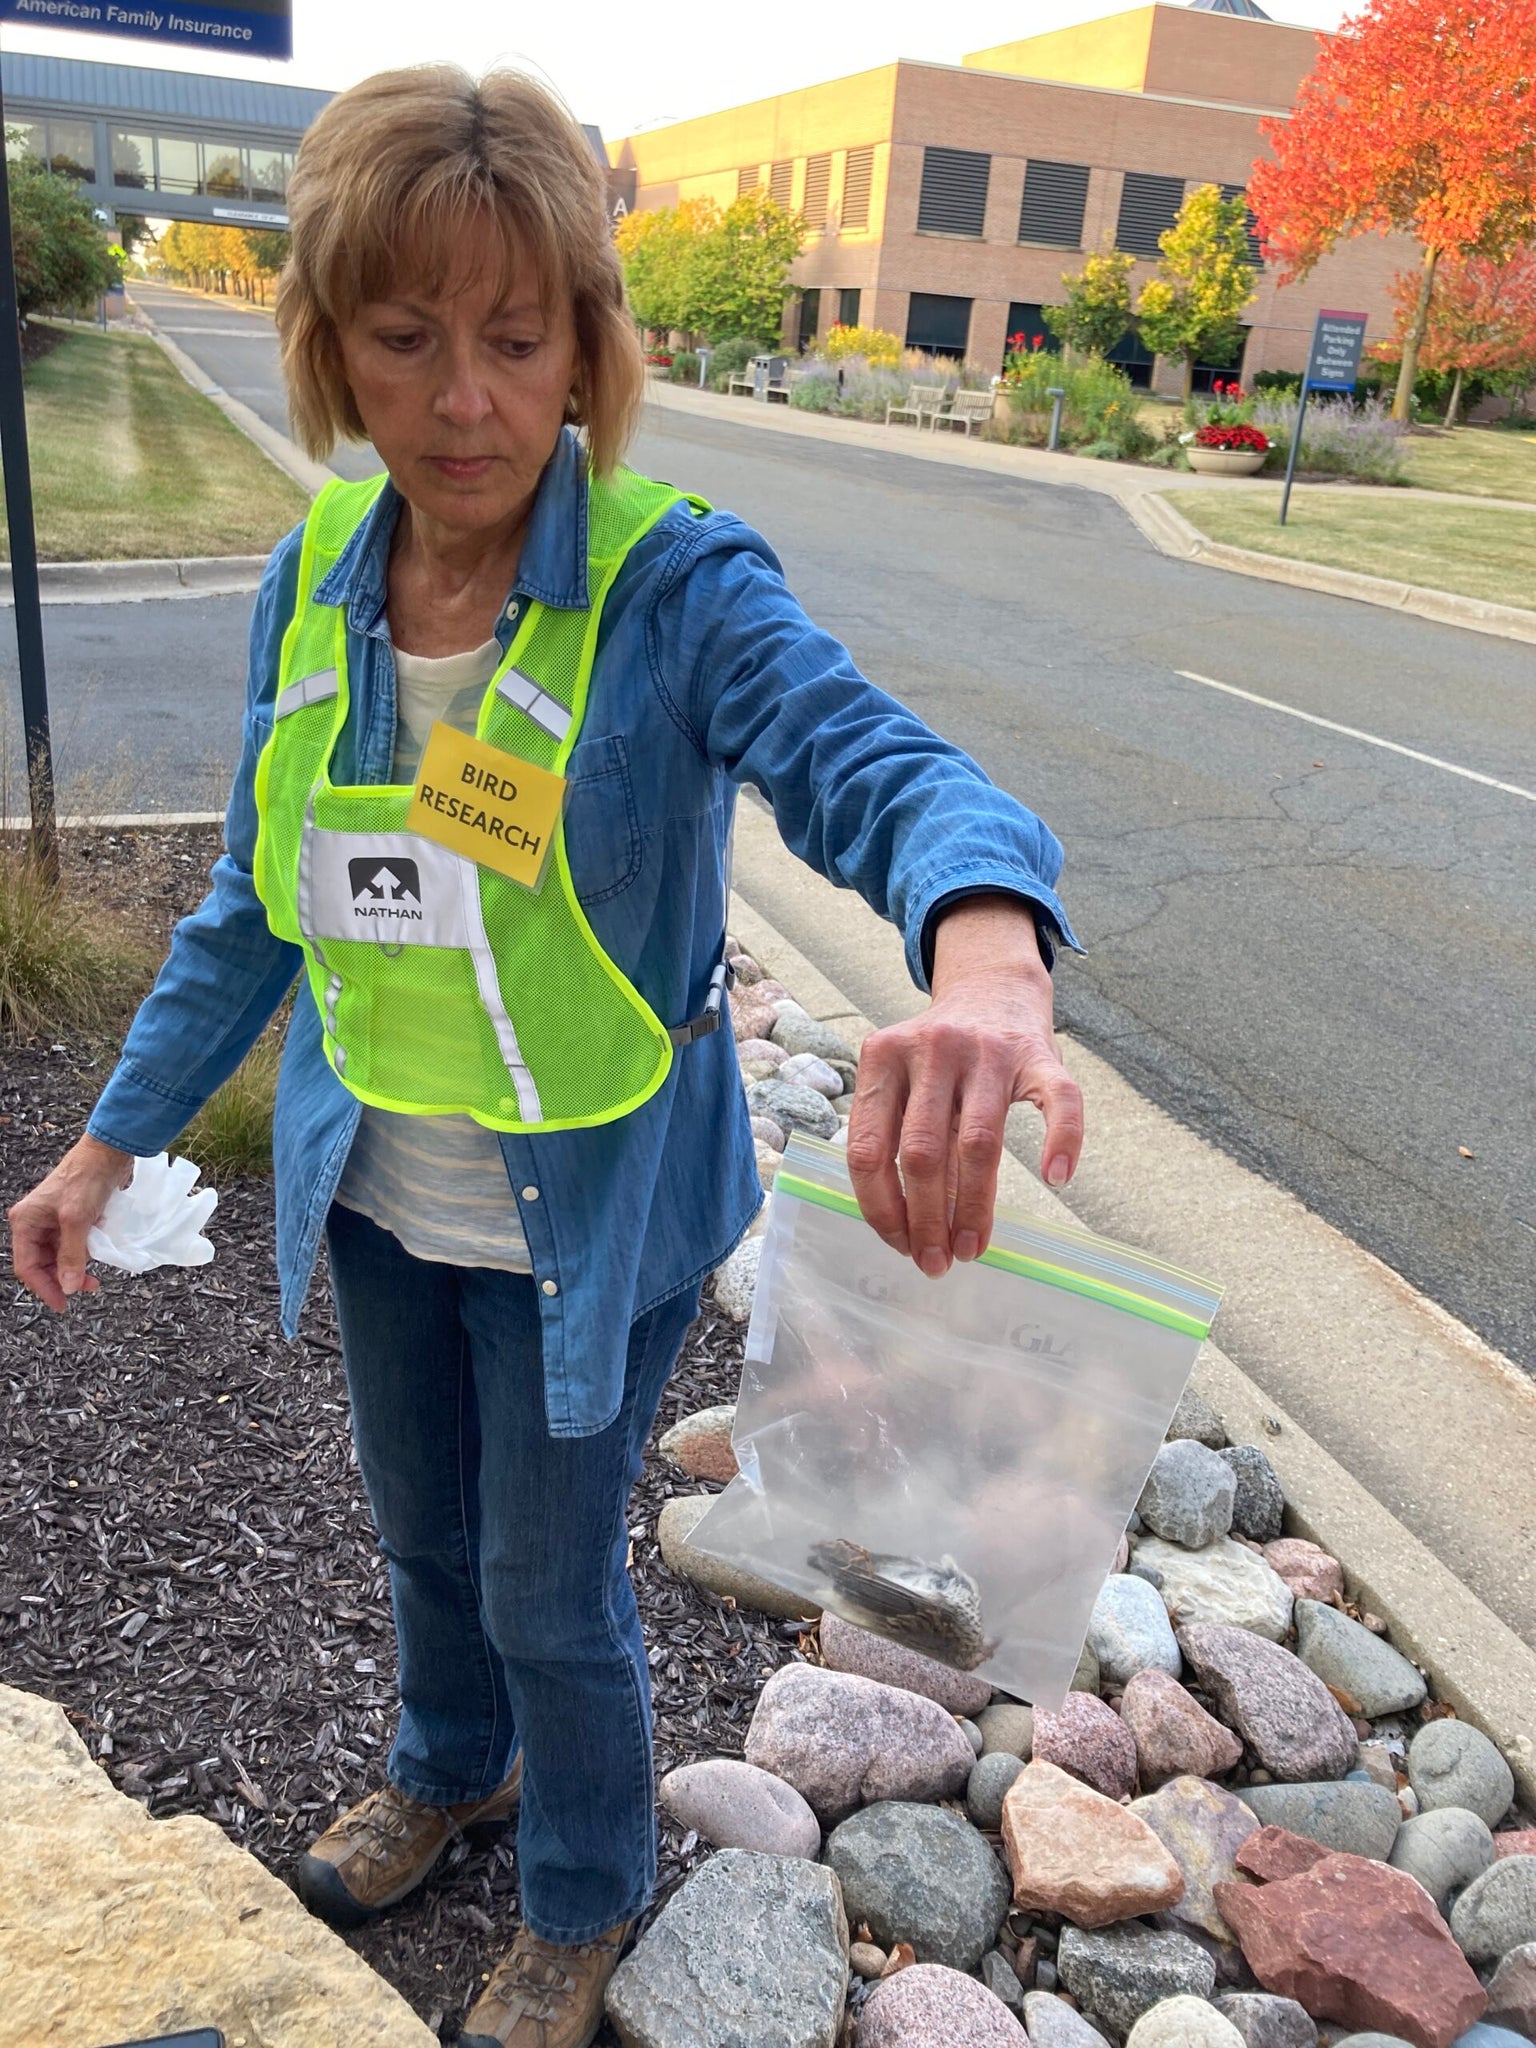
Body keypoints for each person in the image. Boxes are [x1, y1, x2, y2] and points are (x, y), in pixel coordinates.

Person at [7, 66, 1082, 2048]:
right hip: (384, 1194)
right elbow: (256, 902)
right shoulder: (319, 566)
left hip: (592, 1203)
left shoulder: (675, 585)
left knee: (550, 1577)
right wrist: (104, 1143)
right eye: (408, 339)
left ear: (589, 348)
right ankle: (451, 1764)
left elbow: (878, 767)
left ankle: (582, 1888)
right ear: (331, 346)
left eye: (519, 338)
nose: (469, 400)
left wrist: (989, 952)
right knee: (421, 1527)